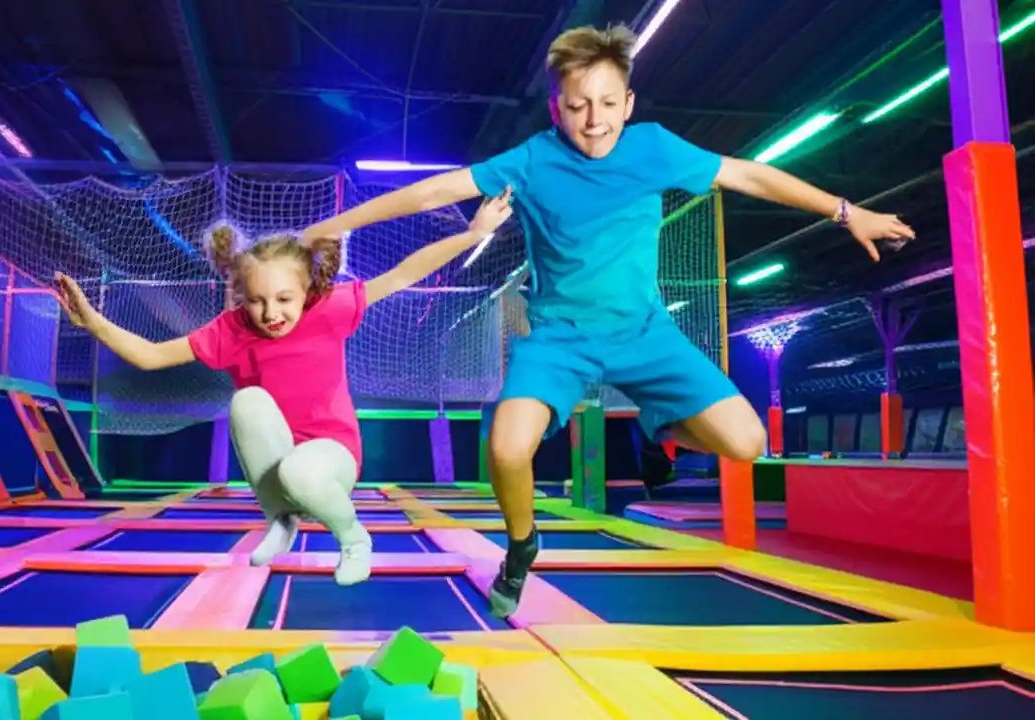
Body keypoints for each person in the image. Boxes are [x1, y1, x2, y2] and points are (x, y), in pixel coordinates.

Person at [302, 25, 915, 616]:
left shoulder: (653, 148)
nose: (592, 121)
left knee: (748, 445)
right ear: (554, 108)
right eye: (576, 106)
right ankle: (522, 546)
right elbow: (434, 192)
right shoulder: (533, 160)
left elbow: (748, 174)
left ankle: (662, 434)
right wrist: (336, 226)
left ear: (628, 103)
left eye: (604, 104)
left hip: (646, 334)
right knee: (507, 448)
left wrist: (845, 211)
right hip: (558, 339)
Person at [56, 190, 514, 586]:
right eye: (256, 300)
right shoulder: (232, 330)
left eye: (283, 299)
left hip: (333, 454)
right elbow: (152, 356)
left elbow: (402, 274)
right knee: (247, 402)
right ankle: (281, 518)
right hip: (277, 458)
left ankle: (354, 538)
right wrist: (91, 321)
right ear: (240, 296)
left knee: (301, 471)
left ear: (306, 291)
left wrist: (473, 234)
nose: (270, 312)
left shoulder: (329, 308)